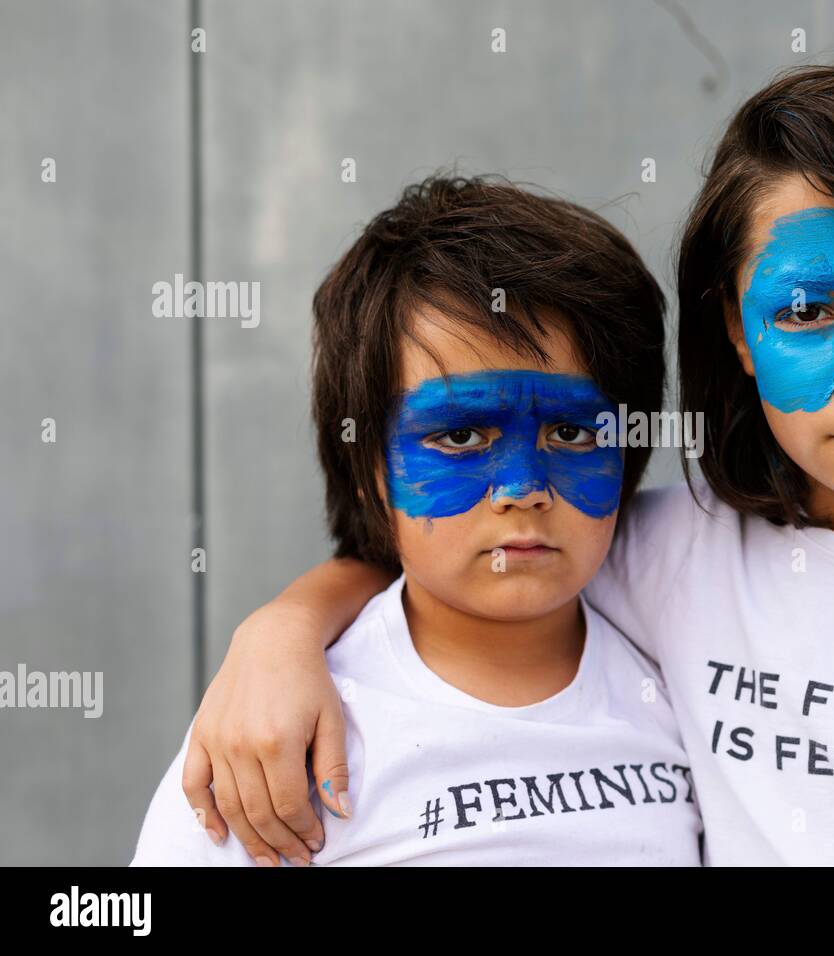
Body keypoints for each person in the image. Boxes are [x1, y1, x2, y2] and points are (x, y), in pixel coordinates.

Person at [183, 57, 834, 866]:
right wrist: (276, 634)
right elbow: (471, 550)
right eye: (805, 310)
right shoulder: (670, 545)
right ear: (735, 331)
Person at [131, 175, 703, 866]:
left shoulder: (685, 681)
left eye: (573, 434)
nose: (523, 489)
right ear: (370, 468)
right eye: (459, 438)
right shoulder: (285, 730)